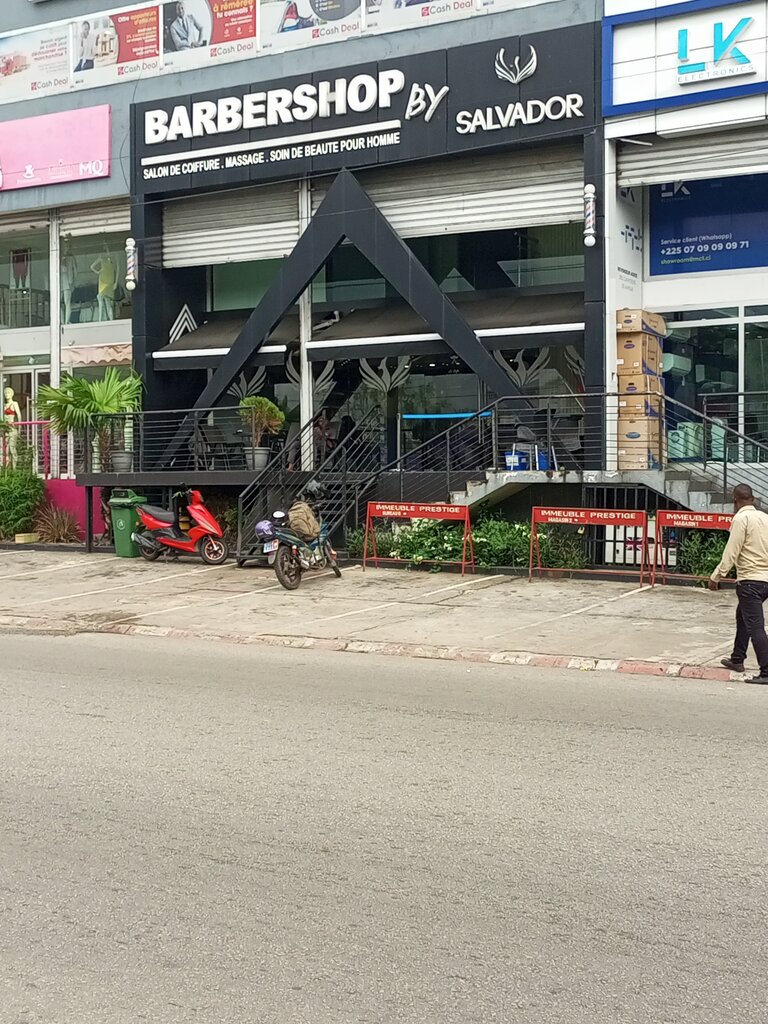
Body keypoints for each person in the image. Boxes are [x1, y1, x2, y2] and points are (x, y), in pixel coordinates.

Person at [710, 484, 768, 684]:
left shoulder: (741, 519)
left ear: (735, 500)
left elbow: (732, 551)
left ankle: (766, 671)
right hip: (765, 580)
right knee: (742, 617)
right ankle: (737, 658)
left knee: (755, 627)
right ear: (752, 498)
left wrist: (716, 576)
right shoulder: (765, 518)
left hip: (750, 580)